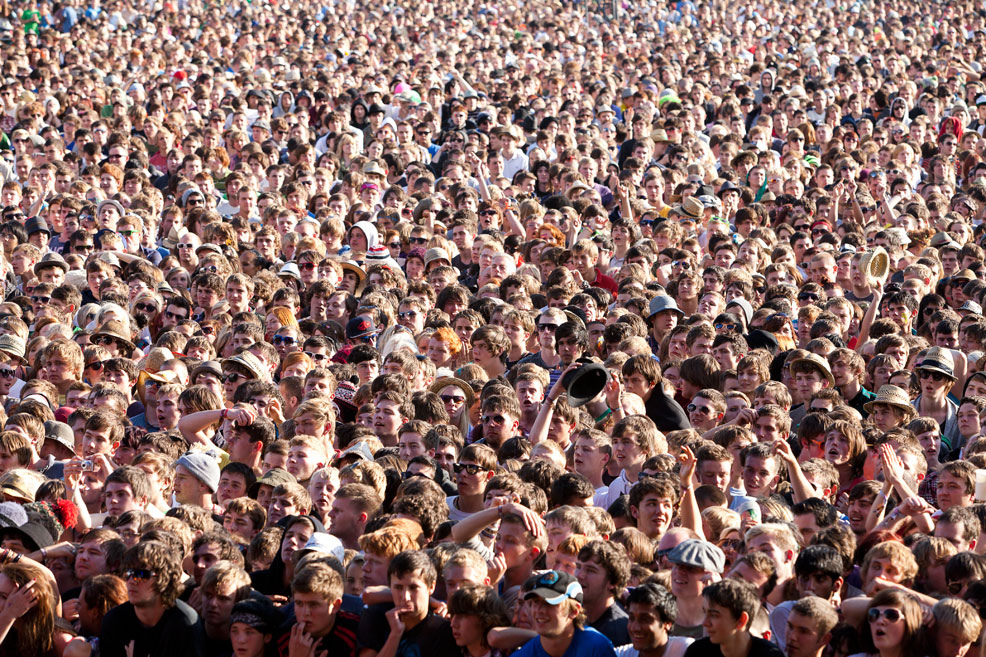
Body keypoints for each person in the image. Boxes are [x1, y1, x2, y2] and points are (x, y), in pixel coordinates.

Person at [99, 541, 204, 657]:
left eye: (141, 574)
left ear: (164, 578)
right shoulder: (115, 621)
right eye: (128, 573)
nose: (131, 581)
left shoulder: (184, 623)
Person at [512, 570, 617, 657]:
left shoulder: (597, 648)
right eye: (535, 602)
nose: (539, 610)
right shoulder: (522, 654)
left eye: (549, 603)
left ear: (574, 611)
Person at [682, 578, 783, 657]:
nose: (705, 623)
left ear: (741, 620)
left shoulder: (770, 654)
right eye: (705, 613)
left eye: (714, 615)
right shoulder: (698, 652)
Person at [616, 582, 693, 657]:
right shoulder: (620, 654)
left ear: (667, 623)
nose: (635, 628)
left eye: (645, 619)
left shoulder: (686, 650)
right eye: (631, 618)